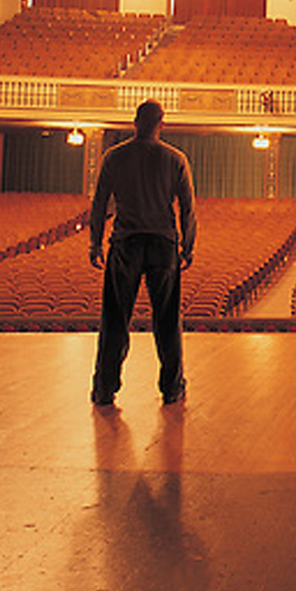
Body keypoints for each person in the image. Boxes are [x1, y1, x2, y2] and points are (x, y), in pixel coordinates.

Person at [88, 100, 196, 407]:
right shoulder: (175, 158)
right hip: (163, 244)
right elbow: (187, 208)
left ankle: (105, 388)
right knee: (167, 320)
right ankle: (172, 388)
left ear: (135, 122)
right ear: (161, 124)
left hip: (126, 243)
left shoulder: (114, 156)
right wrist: (188, 246)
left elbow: (99, 204)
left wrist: (95, 243)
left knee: (114, 319)